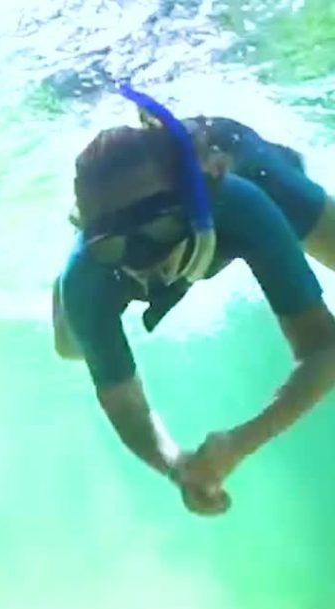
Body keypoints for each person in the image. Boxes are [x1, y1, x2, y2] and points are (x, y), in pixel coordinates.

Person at [53, 86, 335, 515]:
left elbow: (323, 346)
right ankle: (70, 294)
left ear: (201, 197)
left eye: (158, 224)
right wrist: (178, 467)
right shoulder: (91, 271)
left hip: (253, 169)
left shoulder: (241, 201)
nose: (144, 259)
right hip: (104, 261)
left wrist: (240, 443)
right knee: (70, 346)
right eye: (116, 241)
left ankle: (289, 164)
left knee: (291, 195)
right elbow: (125, 403)